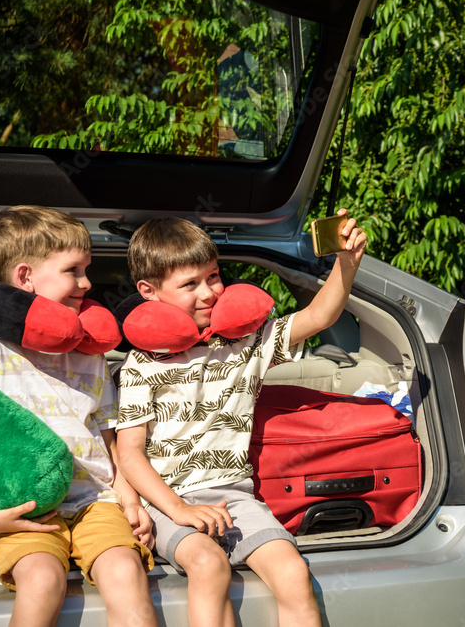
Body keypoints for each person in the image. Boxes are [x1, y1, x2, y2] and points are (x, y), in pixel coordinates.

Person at [115, 211, 367, 627]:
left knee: (292, 572)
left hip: (236, 498)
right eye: (189, 284)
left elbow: (319, 317)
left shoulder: (247, 343)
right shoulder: (140, 365)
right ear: (148, 291)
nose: (208, 293)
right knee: (209, 564)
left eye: (213, 277)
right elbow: (130, 454)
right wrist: (177, 509)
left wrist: (347, 263)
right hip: (165, 500)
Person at [0, 205, 157, 627]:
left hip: (94, 501)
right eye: (73, 271)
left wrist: (130, 497)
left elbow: (107, 437)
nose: (87, 283)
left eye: (87, 270)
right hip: (25, 509)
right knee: (43, 580)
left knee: (126, 571)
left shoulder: (91, 355)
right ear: (26, 277)